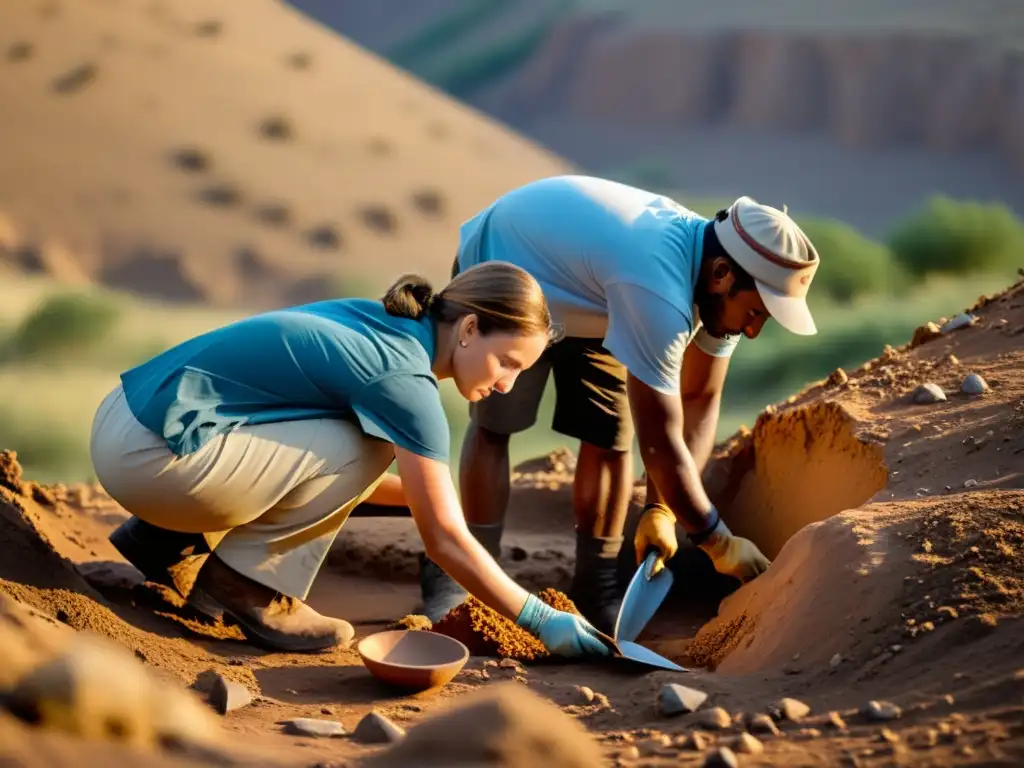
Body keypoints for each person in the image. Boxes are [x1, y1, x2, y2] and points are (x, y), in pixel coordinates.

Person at [89, 261, 611, 659]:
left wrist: (427, 502)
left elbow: (329, 470)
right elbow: (445, 540)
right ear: (470, 329)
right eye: (508, 363)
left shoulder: (381, 322)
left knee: (360, 444)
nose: (506, 384)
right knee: (371, 444)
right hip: (153, 462)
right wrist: (541, 619)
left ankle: (162, 538)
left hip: (127, 422)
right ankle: (248, 583)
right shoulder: (406, 383)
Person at [420, 175, 822, 632]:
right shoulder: (657, 287)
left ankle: (596, 588)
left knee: (611, 437)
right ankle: (463, 571)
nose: (752, 331)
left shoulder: (714, 281)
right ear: (721, 275)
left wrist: (662, 510)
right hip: (510, 261)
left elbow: (699, 398)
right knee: (496, 422)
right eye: (754, 313)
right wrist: (717, 541)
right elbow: (662, 441)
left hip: (593, 295)